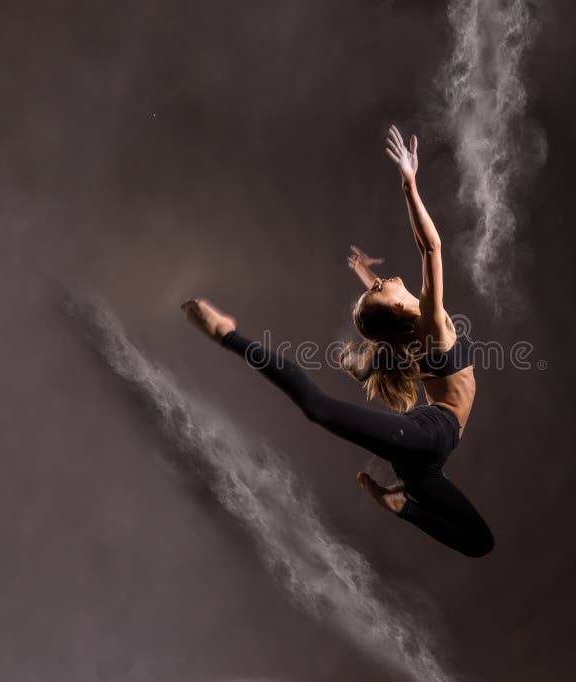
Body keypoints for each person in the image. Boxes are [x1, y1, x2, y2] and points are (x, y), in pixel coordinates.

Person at [181, 125, 493, 557]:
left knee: (480, 543)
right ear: (396, 308)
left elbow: (383, 317)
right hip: (427, 438)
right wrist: (409, 184)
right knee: (318, 408)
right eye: (378, 287)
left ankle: (400, 505)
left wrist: (366, 277)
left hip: (428, 454)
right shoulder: (433, 327)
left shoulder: (406, 332)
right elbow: (432, 248)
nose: (381, 280)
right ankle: (228, 334)